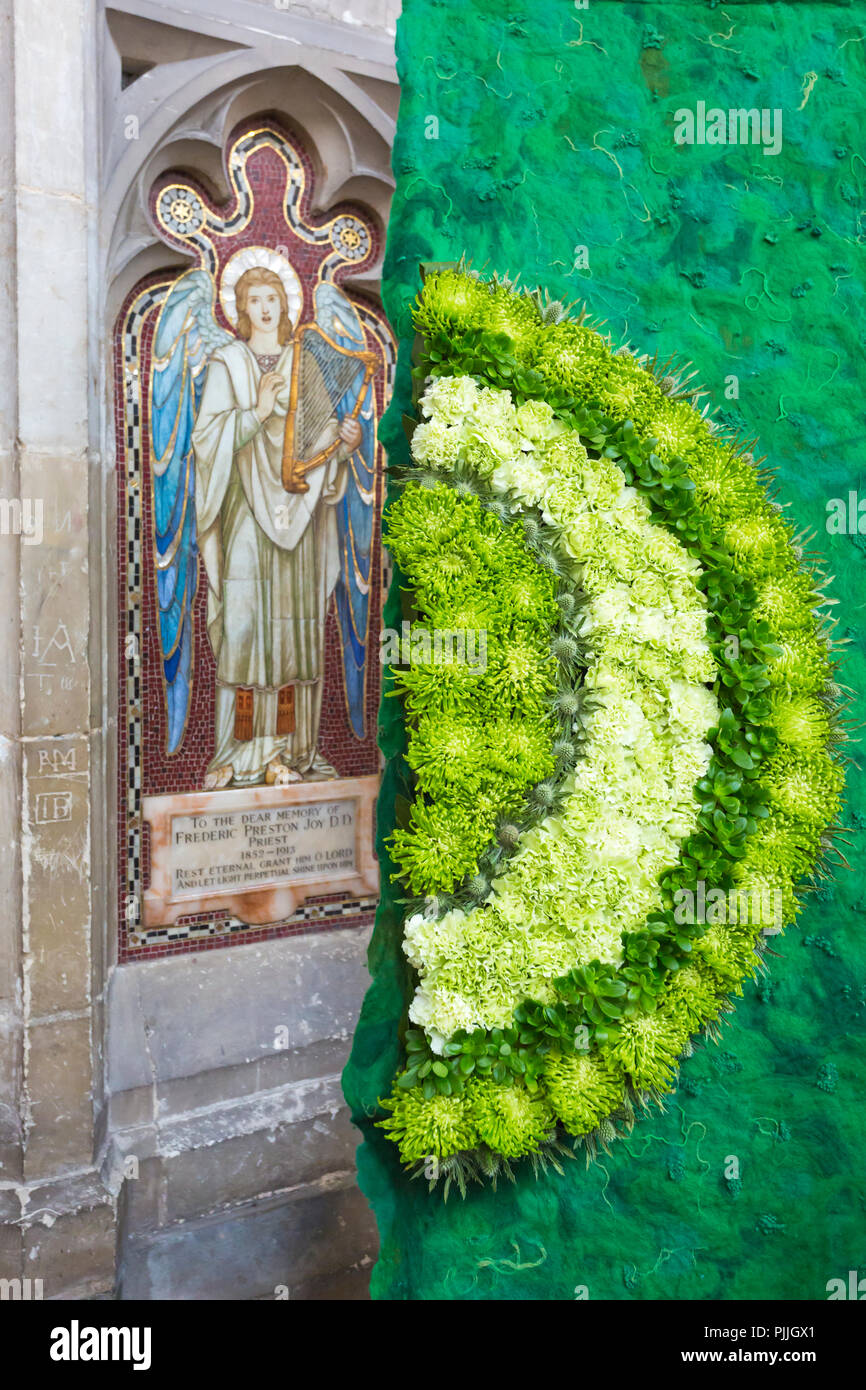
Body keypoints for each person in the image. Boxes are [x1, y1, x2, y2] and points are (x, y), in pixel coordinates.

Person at [192, 266, 362, 788]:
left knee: (292, 632)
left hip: (298, 521)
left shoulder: (303, 363)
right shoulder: (227, 364)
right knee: (245, 629)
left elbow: (319, 437)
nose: (265, 308)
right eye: (255, 299)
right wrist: (257, 412)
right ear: (240, 308)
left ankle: (288, 750)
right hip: (245, 514)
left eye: (274, 298)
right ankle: (238, 752)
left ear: (285, 305)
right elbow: (206, 442)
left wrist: (345, 442)